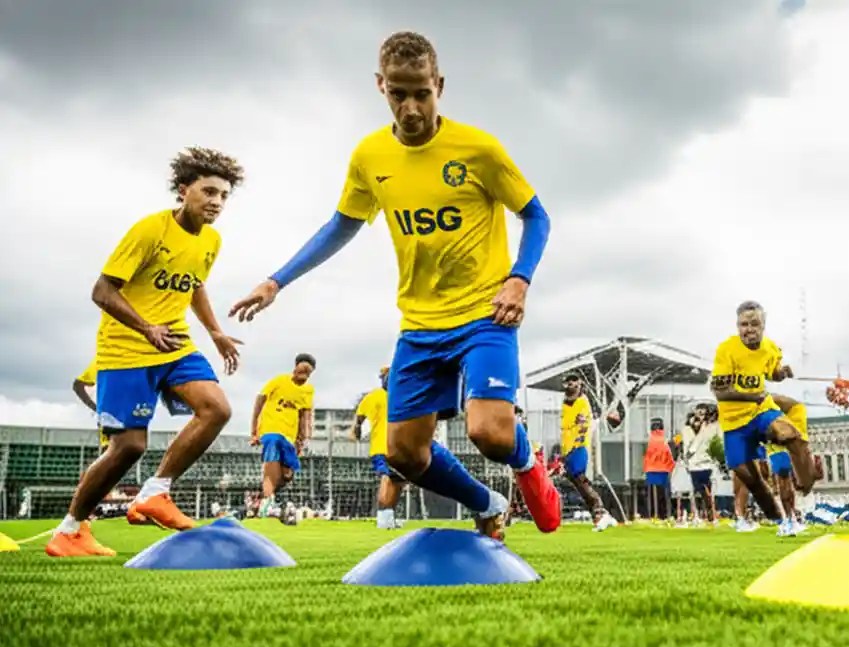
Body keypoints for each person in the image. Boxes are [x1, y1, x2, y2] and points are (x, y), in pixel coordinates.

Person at [229, 31, 557, 540]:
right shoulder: (370, 157)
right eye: (397, 94)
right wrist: (276, 281)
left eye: (420, 93)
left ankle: (525, 462)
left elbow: (536, 216)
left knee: (489, 433)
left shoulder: (479, 149)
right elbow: (341, 224)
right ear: (380, 86)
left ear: (440, 86)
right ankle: (488, 503)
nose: (409, 108)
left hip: (484, 314)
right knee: (402, 453)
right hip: (420, 324)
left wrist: (519, 278)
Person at [46, 148, 244, 557]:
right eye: (209, 192)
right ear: (183, 190)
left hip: (174, 344)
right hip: (126, 349)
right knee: (129, 446)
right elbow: (102, 290)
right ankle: (69, 532)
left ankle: (155, 492)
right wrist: (146, 327)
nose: (217, 202)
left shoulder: (212, 240)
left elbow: (195, 286)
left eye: (224, 196)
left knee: (217, 409)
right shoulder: (149, 231)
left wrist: (216, 332)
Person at [710, 301, 812, 538]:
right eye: (743, 324)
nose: (748, 329)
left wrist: (782, 372)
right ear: (737, 326)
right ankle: (763, 518)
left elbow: (771, 372)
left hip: (761, 413)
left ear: (763, 325)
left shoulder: (770, 348)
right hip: (734, 422)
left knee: (788, 437)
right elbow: (720, 392)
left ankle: (793, 514)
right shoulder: (727, 350)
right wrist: (751, 396)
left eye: (754, 324)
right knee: (747, 476)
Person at [250, 354, 315, 520]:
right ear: (295, 367)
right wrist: (254, 430)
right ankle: (268, 503)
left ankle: (262, 498)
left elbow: (305, 415)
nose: (304, 375)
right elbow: (259, 401)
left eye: (308, 372)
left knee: (287, 475)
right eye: (302, 370)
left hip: (290, 436)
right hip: (271, 431)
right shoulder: (279, 381)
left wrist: (303, 438)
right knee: (272, 456)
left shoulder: (308, 391)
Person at [561, 373, 616, 530]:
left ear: (579, 385)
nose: (570, 385)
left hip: (577, 447)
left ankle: (600, 512)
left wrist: (577, 443)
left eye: (574, 383)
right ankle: (600, 514)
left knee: (580, 479)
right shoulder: (566, 403)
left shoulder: (582, 402)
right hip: (568, 448)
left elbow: (583, 426)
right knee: (577, 482)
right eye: (568, 382)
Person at [354, 366, 400, 529]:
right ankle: (383, 517)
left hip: (399, 448)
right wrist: (357, 430)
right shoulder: (375, 396)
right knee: (386, 478)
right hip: (382, 447)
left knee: (397, 482)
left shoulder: (400, 395)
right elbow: (360, 417)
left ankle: (390, 517)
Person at [768, 393, 810, 532]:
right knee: (784, 478)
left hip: (783, 433)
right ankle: (791, 518)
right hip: (782, 435)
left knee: (784, 478)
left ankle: (790, 518)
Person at [681, 404, 720, 526]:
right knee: (700, 490)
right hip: (697, 464)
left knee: (701, 489)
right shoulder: (688, 429)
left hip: (702, 463)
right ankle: (703, 515)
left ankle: (708, 514)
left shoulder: (708, 428)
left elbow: (694, 446)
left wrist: (687, 456)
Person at [643, 418, 675, 521]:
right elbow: (669, 456)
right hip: (663, 470)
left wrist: (645, 468)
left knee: (651, 494)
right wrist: (672, 468)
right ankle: (663, 515)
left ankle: (652, 514)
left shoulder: (649, 441)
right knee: (663, 494)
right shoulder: (664, 441)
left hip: (650, 470)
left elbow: (646, 457)